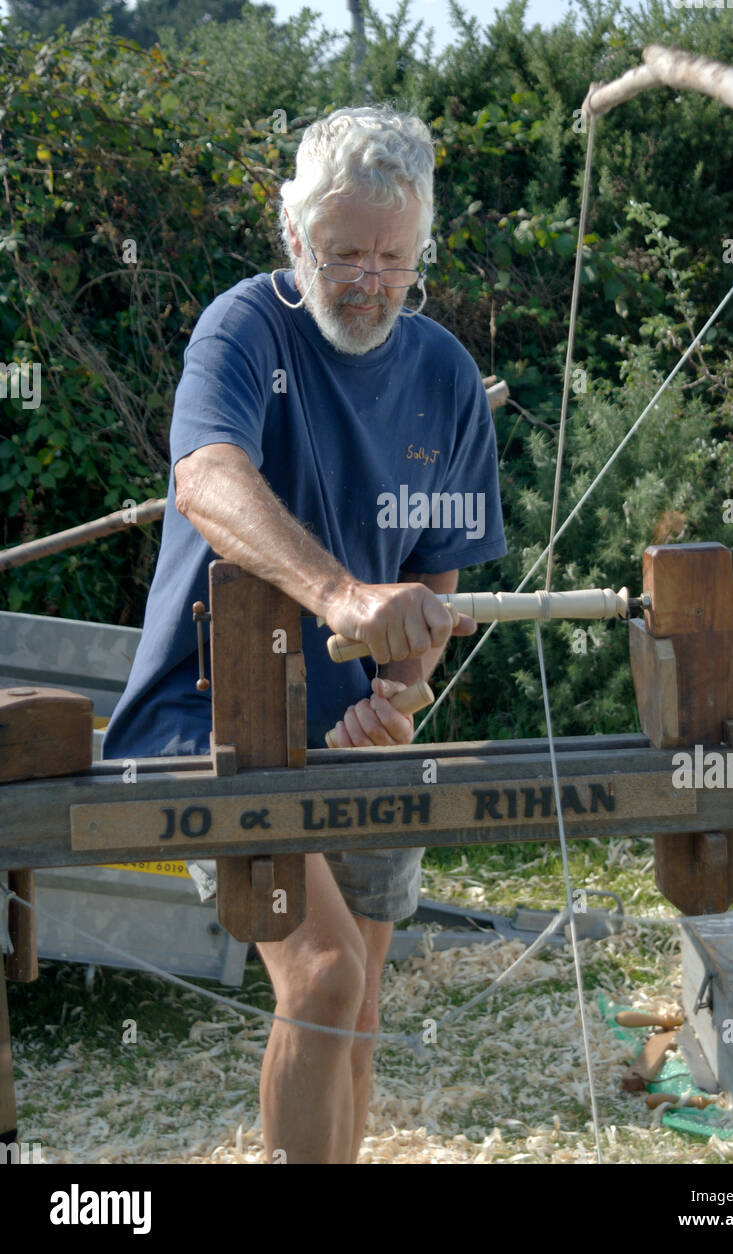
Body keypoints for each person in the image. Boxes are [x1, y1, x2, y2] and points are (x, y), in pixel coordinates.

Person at [103, 105, 508, 1162]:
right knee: (321, 974)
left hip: (362, 732)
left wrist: (401, 685)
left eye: (392, 259)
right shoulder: (242, 328)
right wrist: (337, 598)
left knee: (357, 1008)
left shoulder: (445, 378)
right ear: (294, 239)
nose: (367, 281)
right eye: (343, 255)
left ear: (419, 252)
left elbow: (434, 578)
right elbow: (207, 481)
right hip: (216, 722)